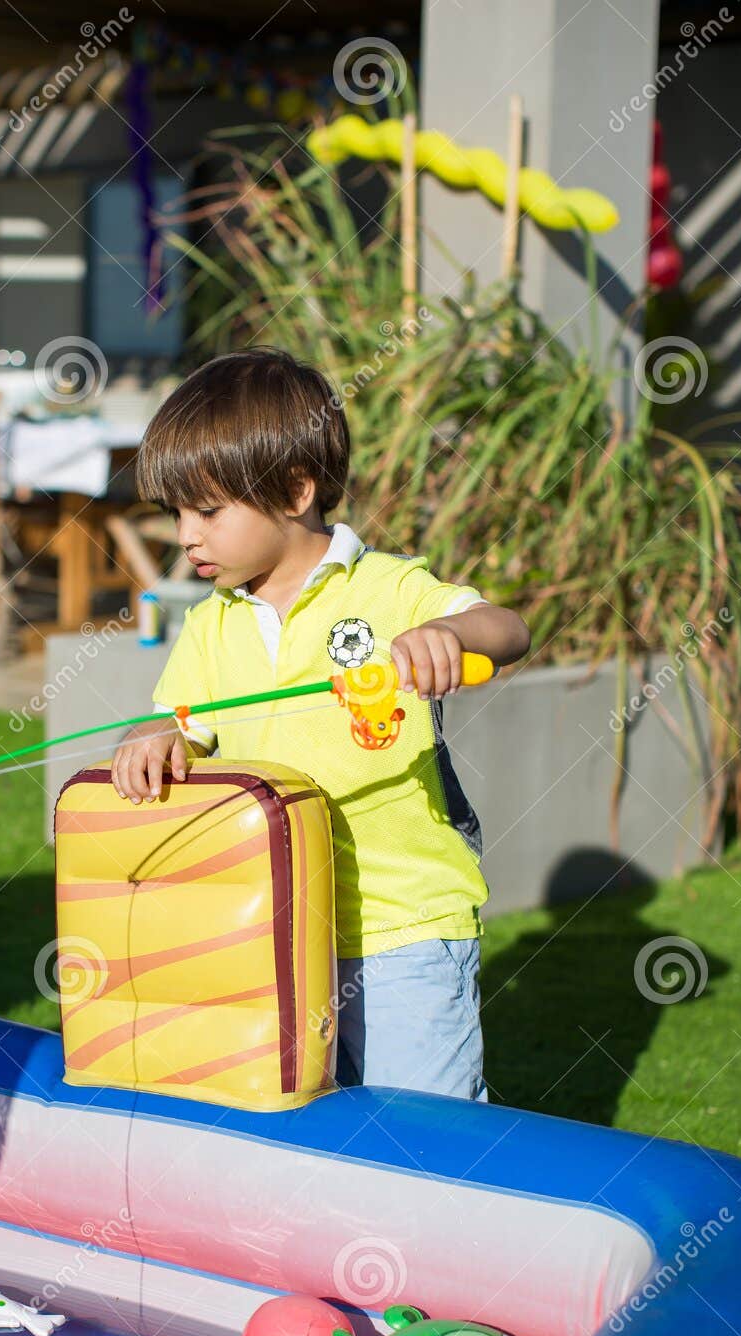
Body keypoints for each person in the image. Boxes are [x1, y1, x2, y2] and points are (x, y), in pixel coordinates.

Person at [110, 348, 531, 1100]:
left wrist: (453, 638)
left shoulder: (389, 586)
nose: (185, 536)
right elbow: (172, 725)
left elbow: (505, 629)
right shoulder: (211, 627)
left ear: (295, 490)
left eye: (206, 511)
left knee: (419, 1133)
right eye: (176, 513)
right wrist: (148, 742)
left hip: (403, 926)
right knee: (297, 1122)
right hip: (268, 933)